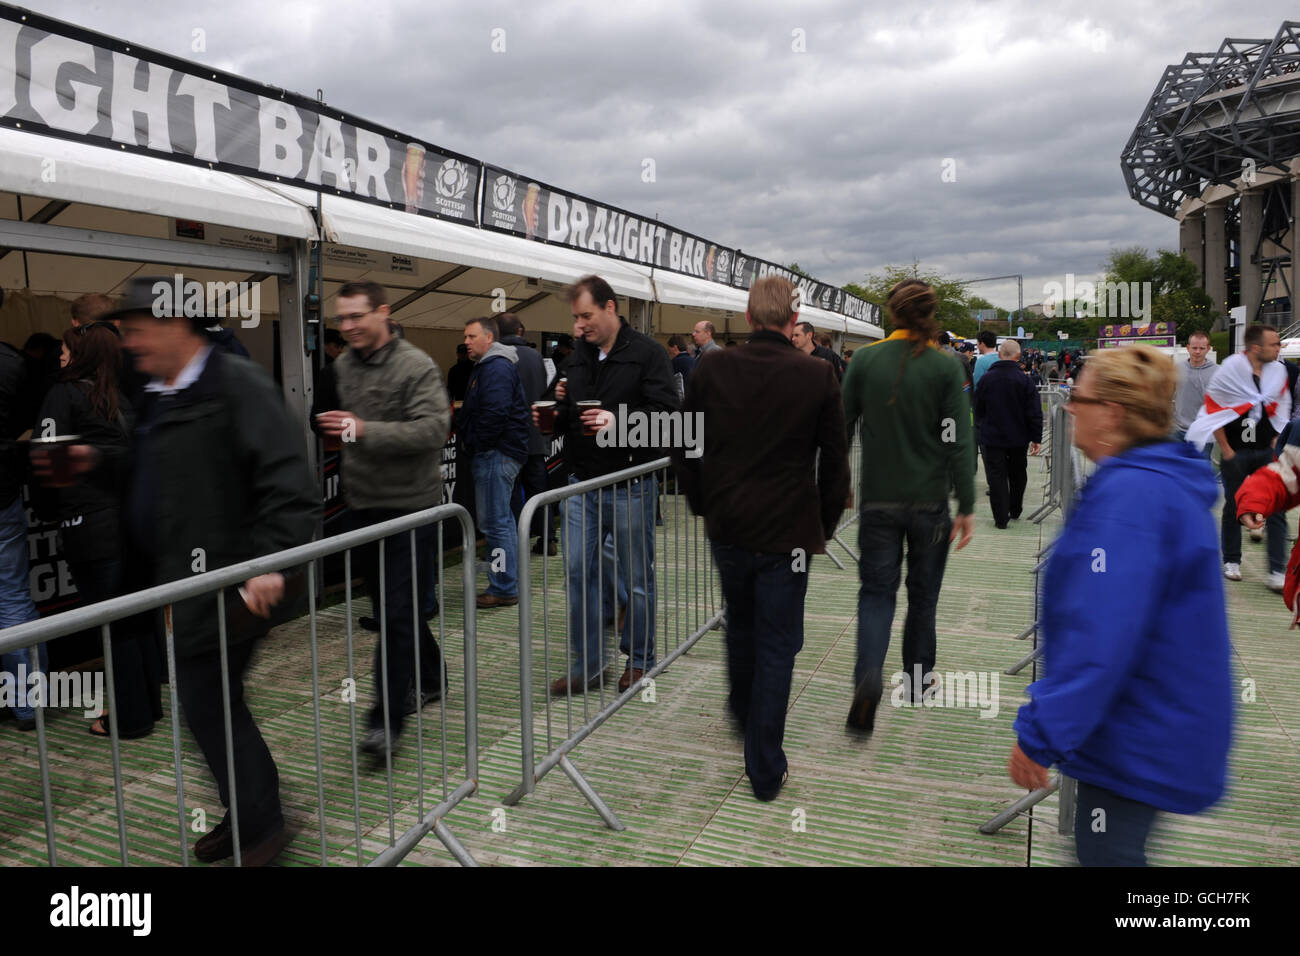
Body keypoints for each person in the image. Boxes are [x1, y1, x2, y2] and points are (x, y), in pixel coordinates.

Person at [103, 276, 317, 864]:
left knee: (208, 702)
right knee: (208, 702)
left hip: (232, 586)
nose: (131, 343)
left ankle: (263, 822)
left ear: (176, 324)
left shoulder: (236, 384)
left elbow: (291, 487)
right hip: (182, 582)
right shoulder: (159, 390)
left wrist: (272, 564)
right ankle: (249, 812)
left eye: (138, 329)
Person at [1010, 347, 1231, 866]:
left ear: (1111, 412)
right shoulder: (1158, 483)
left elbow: (1100, 638)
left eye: (1078, 399)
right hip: (1155, 724)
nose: (1068, 408)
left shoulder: (1129, 499)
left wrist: (1039, 735)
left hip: (1135, 734)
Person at [672, 277, 848, 802]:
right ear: (793, 321)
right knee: (777, 643)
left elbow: (686, 445)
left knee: (742, 625)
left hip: (729, 524)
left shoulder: (716, 366)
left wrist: (703, 503)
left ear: (748, 318)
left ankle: (744, 712)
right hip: (789, 533)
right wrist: (822, 527)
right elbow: (836, 468)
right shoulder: (817, 375)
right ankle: (764, 767)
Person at [315, 281, 451, 758]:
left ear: (384, 313)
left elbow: (435, 429)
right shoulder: (343, 366)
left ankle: (384, 722)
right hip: (364, 506)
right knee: (400, 608)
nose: (348, 326)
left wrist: (364, 431)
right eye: (342, 319)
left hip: (411, 508)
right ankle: (432, 678)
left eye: (357, 317)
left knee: (394, 615)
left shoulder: (415, 365)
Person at [841, 279, 975, 733]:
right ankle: (918, 680)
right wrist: (967, 502)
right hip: (930, 503)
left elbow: (840, 427)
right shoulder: (944, 367)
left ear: (891, 313)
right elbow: (958, 439)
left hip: (878, 500)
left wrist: (840, 483)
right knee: (923, 596)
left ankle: (867, 676)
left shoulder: (863, 360)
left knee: (876, 594)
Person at [545, 275, 678, 695]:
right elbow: (570, 412)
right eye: (575, 317)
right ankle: (588, 664)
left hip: (630, 485)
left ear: (610, 307)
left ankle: (639, 661)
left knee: (637, 578)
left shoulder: (648, 354)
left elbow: (670, 419)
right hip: (581, 484)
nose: (581, 325)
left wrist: (620, 424)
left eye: (586, 315)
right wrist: (555, 415)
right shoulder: (577, 358)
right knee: (578, 574)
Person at [31, 323, 160, 738]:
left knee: (114, 622)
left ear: (82, 354)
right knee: (133, 618)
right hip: (129, 525)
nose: (61, 356)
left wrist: (52, 507)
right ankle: (146, 706)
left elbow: (47, 460)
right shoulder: (118, 396)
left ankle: (129, 718)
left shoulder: (64, 394)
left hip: (93, 526)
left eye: (67, 350)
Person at [1185, 324, 1290, 588]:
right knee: (1234, 505)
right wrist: (1228, 451)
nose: (1279, 348)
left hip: (1266, 450)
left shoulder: (1278, 373)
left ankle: (1277, 569)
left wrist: (1276, 445)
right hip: (1237, 451)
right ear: (1257, 348)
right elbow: (1214, 410)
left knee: (1276, 506)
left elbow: (1281, 411)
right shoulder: (1231, 372)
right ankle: (1232, 559)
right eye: (1274, 344)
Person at [459, 315, 530, 608]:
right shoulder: (491, 367)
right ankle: (506, 581)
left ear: (489, 338)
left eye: (471, 336)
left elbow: (495, 414)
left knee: (496, 525)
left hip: (495, 454)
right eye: (465, 337)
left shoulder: (496, 368)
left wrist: (477, 443)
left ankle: (502, 587)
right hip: (499, 452)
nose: (466, 342)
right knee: (502, 523)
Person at [0, 337, 44, 731]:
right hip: (3, 489)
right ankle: (29, 706)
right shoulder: (12, 361)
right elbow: (29, 417)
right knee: (14, 597)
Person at [497, 313, 555, 557]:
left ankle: (514, 542)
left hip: (510, 439)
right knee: (539, 492)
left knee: (509, 493)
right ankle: (548, 537)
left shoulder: (498, 358)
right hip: (535, 436)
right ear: (520, 331)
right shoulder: (536, 357)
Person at [974, 340, 1042, 529]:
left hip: (992, 435)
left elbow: (978, 408)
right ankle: (1015, 508)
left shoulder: (986, 379)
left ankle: (1000, 517)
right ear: (1018, 357)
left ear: (999, 354)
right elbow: (1035, 411)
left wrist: (983, 425)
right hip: (1019, 436)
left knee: (996, 475)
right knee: (1018, 472)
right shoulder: (1025, 380)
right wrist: (1036, 437)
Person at [1172, 331, 1216, 443]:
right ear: (1188, 348)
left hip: (1203, 432)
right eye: (1194, 347)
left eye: (1202, 348)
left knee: (1202, 461)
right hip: (1178, 431)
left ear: (1208, 348)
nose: (1197, 352)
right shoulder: (1176, 369)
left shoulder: (1218, 372)